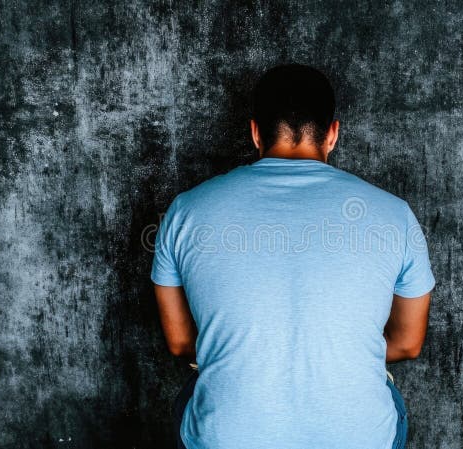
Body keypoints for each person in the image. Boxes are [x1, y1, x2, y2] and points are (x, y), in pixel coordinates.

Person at [152, 63, 435, 449]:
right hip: (359, 439)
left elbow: (182, 343)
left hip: (229, 439)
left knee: (199, 390)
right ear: (333, 134)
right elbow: (407, 344)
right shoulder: (395, 214)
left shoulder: (185, 211)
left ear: (255, 133)